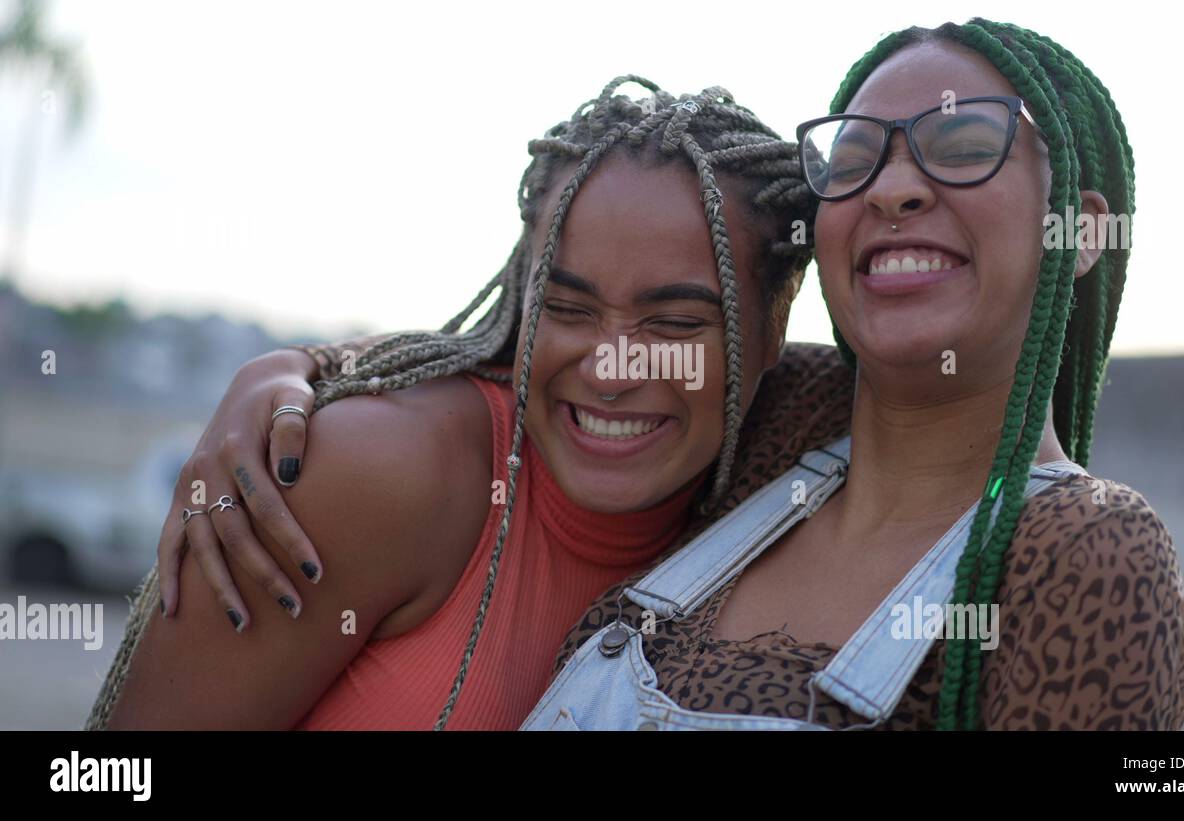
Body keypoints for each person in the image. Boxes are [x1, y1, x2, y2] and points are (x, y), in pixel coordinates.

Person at [87, 76, 827, 730]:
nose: (610, 369)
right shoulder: (381, 472)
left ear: (775, 324)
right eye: (567, 308)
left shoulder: (796, 474)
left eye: (674, 323)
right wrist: (297, 365)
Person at [525, 19, 1184, 731]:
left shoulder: (1088, 549)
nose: (891, 189)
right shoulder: (769, 422)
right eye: (852, 163)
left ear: (1081, 232)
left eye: (964, 148)